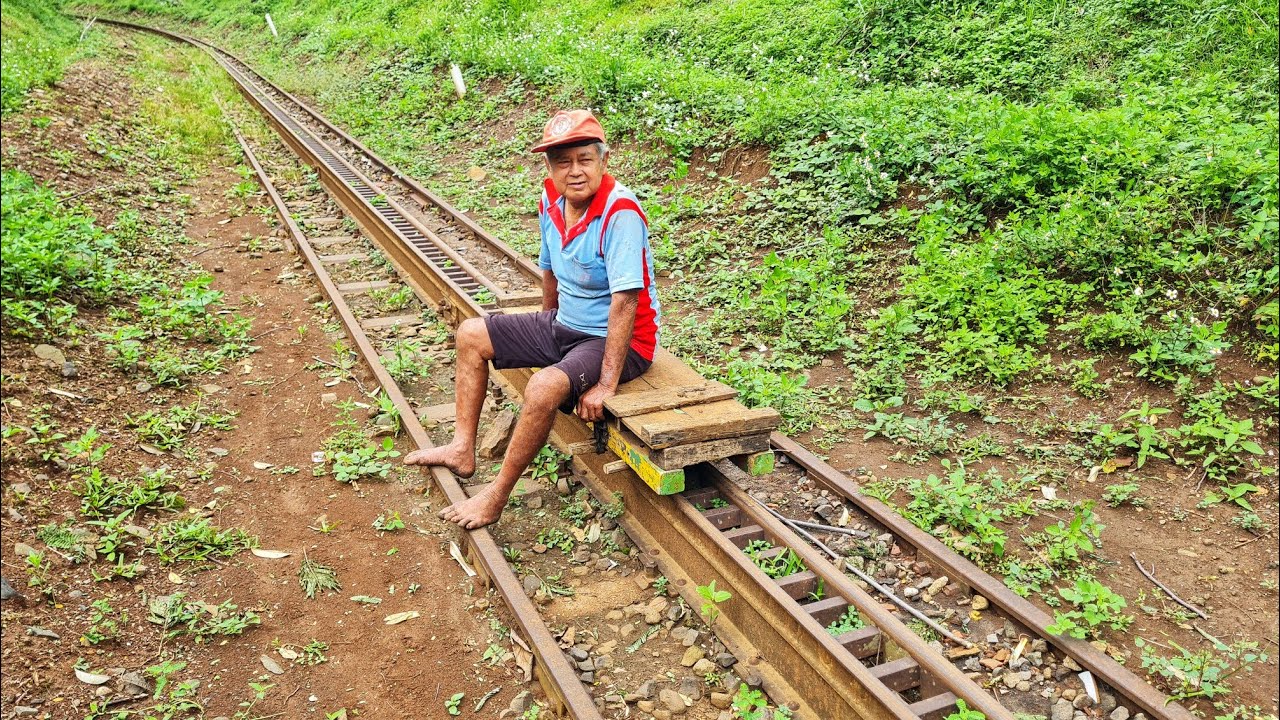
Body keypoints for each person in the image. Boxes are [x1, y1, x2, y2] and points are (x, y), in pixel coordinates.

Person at [404, 109, 661, 529]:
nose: (574, 171)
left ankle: (494, 497)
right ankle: (462, 448)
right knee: (471, 333)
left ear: (603, 161)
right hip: (567, 323)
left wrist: (606, 384)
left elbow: (626, 302)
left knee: (543, 387)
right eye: (563, 162)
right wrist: (544, 331)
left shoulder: (621, 214)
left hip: (623, 341)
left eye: (584, 159)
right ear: (549, 167)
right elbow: (549, 269)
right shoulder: (551, 200)